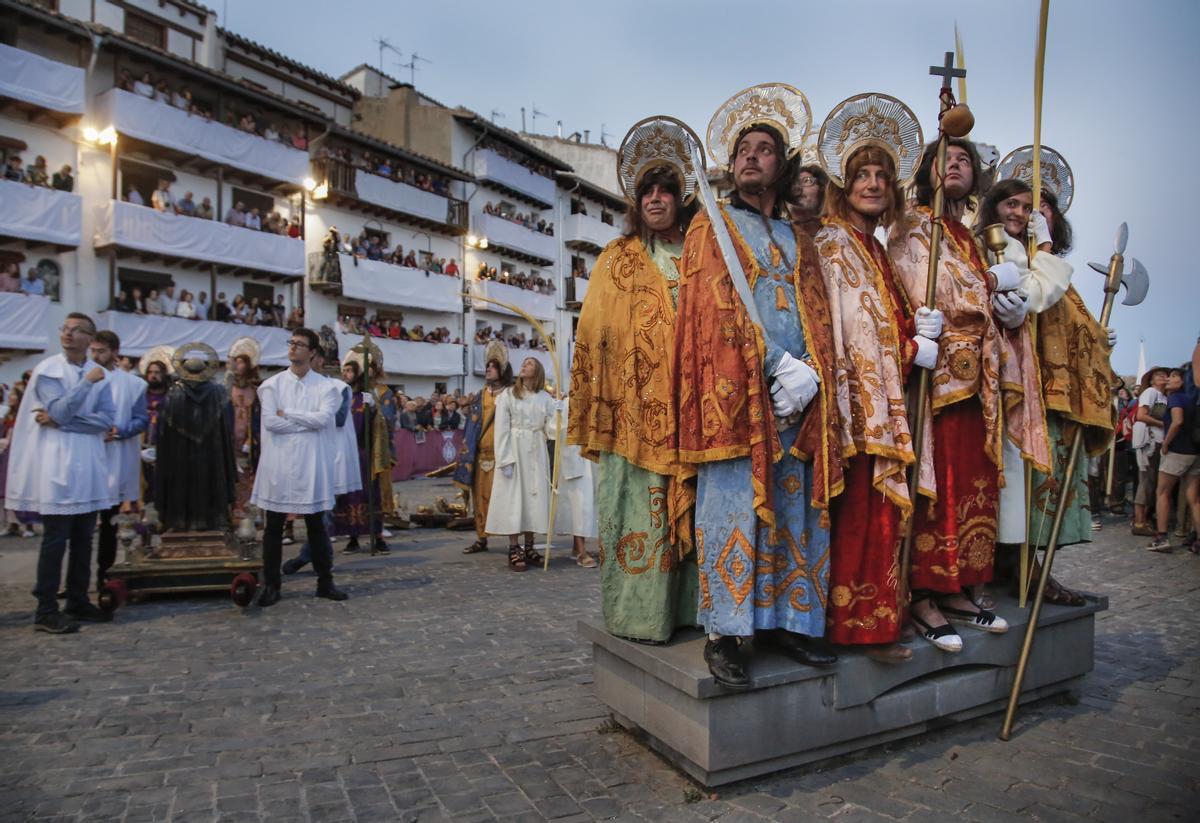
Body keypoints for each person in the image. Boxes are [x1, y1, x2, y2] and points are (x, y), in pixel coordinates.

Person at [676, 85, 844, 687]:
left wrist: (813, 374)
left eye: (765, 148)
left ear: (783, 164)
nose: (752, 156)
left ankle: (791, 625)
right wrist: (774, 365)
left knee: (795, 510)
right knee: (734, 510)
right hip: (741, 397)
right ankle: (726, 634)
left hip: (799, 400)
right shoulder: (710, 226)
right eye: (744, 148)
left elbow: (820, 315)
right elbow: (710, 310)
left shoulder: (800, 238)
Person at [889, 136, 1049, 651]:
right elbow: (920, 287)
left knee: (974, 483)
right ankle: (923, 593)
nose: (955, 167)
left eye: (964, 161)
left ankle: (958, 588)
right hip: (934, 379)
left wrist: (1011, 307)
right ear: (928, 171)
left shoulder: (973, 235)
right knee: (938, 483)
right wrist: (986, 282)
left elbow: (989, 292)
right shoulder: (912, 225)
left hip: (979, 378)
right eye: (946, 160)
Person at [814, 95, 940, 662]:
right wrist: (914, 345)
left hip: (883, 398)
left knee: (884, 517)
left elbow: (885, 315)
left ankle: (882, 617)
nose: (872, 184)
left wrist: (919, 326)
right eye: (862, 174)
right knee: (860, 517)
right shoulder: (834, 243)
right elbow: (859, 333)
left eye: (881, 176)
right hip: (855, 404)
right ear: (845, 184)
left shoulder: (875, 247)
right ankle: (857, 627)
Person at [568, 116, 700, 642]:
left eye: (666, 190)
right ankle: (638, 616)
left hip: (688, 408)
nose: (656, 198)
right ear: (635, 200)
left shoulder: (697, 253)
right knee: (637, 512)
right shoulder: (615, 260)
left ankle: (689, 610)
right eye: (647, 190)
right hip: (631, 416)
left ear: (679, 198)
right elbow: (595, 332)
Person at [987, 149, 1116, 604]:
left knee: (1044, 491)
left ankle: (1032, 567)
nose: (1030, 215)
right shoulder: (1009, 251)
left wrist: (1095, 340)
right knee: (1019, 491)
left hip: (1055, 398)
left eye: (1040, 209)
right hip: (1022, 386)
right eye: (1021, 206)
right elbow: (1034, 297)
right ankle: (1017, 568)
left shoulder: (1051, 262)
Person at [4, 313, 116, 633]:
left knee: (84, 537)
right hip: (58, 460)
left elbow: (105, 420)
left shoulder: (99, 375)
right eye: (64, 329)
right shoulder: (49, 370)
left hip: (88, 460)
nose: (68, 335)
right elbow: (59, 410)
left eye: (76, 330)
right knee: (56, 538)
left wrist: (65, 418)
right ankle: (46, 607)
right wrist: (83, 388)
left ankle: (78, 599)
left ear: (90, 339)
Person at [250, 328, 348, 605]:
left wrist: (289, 414)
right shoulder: (272, 385)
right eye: (291, 343)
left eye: (300, 344)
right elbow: (271, 422)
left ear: (313, 352)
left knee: (315, 526)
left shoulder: (327, 387)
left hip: (311, 463)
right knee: (273, 527)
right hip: (278, 462)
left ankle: (324, 581)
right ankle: (272, 584)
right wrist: (303, 422)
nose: (293, 348)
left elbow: (323, 419)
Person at [153, 343, 237, 531]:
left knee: (181, 483)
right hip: (211, 453)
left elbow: (163, 432)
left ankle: (180, 520)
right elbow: (225, 428)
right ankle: (214, 519)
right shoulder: (216, 393)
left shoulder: (174, 393)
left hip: (180, 455)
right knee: (212, 481)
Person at [485, 357, 557, 571]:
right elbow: (501, 428)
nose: (523, 366)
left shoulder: (545, 398)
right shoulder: (508, 395)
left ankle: (529, 545)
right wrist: (504, 458)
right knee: (514, 498)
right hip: (515, 449)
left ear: (537, 372)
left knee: (532, 498)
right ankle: (514, 547)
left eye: (529, 364)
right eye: (523, 363)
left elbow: (551, 430)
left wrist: (560, 413)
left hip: (536, 450)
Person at [89, 331, 148, 586]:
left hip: (114, 458)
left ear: (114, 352)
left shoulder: (132, 384)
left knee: (109, 523)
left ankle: (105, 576)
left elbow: (141, 419)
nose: (95, 355)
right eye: (93, 350)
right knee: (78, 527)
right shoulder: (82, 378)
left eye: (100, 350)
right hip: (86, 457)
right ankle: (74, 582)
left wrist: (121, 430)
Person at [455, 342, 515, 555]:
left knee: (504, 498)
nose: (488, 369)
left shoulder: (511, 394)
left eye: (493, 366)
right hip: (480, 456)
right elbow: (474, 423)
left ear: (502, 370)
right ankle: (481, 538)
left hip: (502, 456)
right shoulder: (479, 395)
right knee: (480, 498)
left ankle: (512, 542)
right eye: (487, 366)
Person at [332, 353, 391, 554]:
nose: (346, 374)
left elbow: (378, 427)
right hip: (348, 453)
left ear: (357, 373)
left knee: (369, 495)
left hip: (365, 454)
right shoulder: (342, 397)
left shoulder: (368, 397)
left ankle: (378, 536)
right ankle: (353, 536)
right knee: (349, 496)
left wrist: (373, 410)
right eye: (344, 371)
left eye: (349, 371)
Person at [1150, 368, 1199, 551]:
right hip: (1193, 452)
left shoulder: (1177, 398)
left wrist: (1166, 442)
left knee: (1162, 492)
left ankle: (1162, 537)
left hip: (1177, 451)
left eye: (1174, 376)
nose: (1169, 379)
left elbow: (1177, 421)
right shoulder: (1192, 398)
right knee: (1193, 499)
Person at [226, 339, 261, 521]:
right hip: (230, 440)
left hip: (248, 442)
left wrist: (251, 439)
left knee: (248, 477)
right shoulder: (227, 390)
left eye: (242, 362)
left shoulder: (255, 391)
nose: (238, 365)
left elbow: (258, 418)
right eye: (236, 361)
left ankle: (249, 514)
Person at [1132, 366, 1169, 535]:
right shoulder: (1150, 393)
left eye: (1164, 374)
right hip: (1149, 440)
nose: (1163, 377)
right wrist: (1164, 425)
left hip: (1157, 439)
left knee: (1152, 481)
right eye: (1159, 375)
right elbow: (1141, 415)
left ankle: (1145, 518)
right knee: (1146, 480)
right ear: (1152, 380)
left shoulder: (1164, 396)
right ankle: (1139, 521)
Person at [787, 161, 827, 237]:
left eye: (806, 181)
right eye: (791, 183)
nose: (797, 188)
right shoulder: (776, 233)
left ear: (822, 189)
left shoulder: (838, 230)